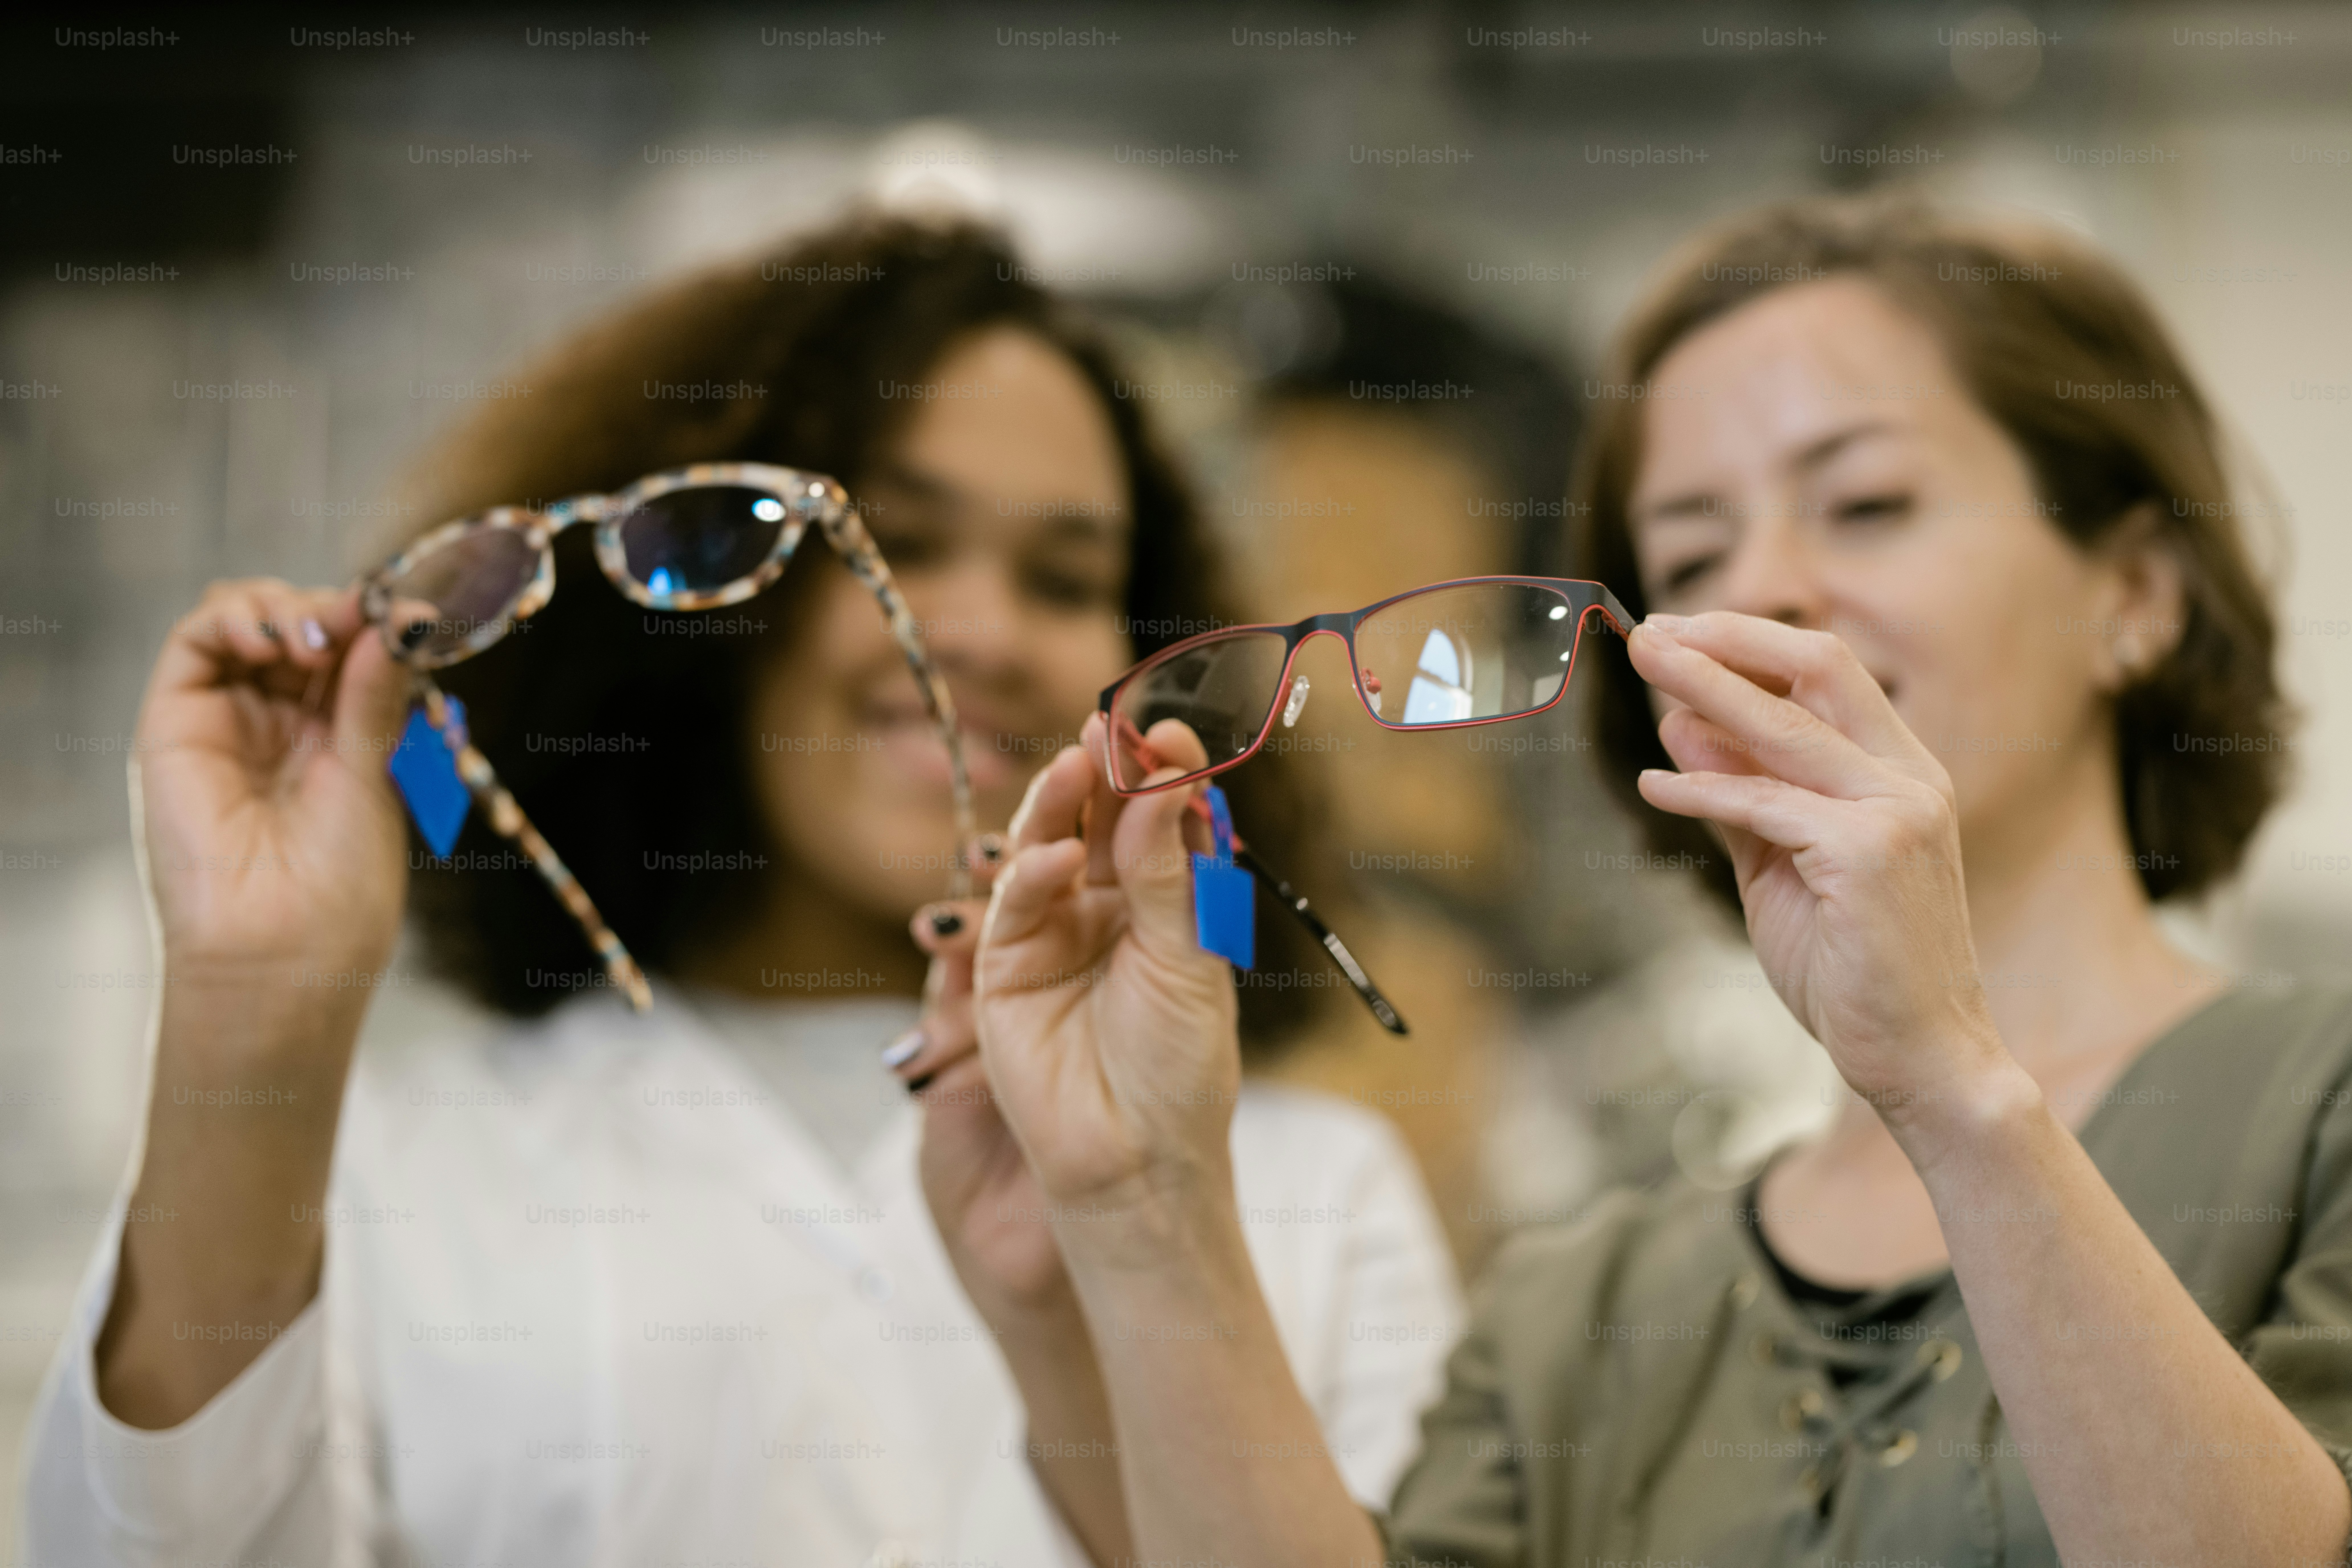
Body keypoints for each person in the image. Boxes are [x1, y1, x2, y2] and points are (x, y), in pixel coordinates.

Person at [20, 213, 1462, 1567]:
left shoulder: (1310, 1193)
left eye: (1066, 571)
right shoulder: (409, 1168)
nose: (982, 630)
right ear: (714, 595)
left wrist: (1147, 1240)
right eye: (899, 544)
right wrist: (255, 1008)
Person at [949, 195, 2352, 1565]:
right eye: (1692, 553)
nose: (1766, 593)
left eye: (1866, 503)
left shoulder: (2316, 1112)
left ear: (2138, 592)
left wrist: (1949, 1081)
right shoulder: (1584, 1312)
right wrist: (1139, 1202)